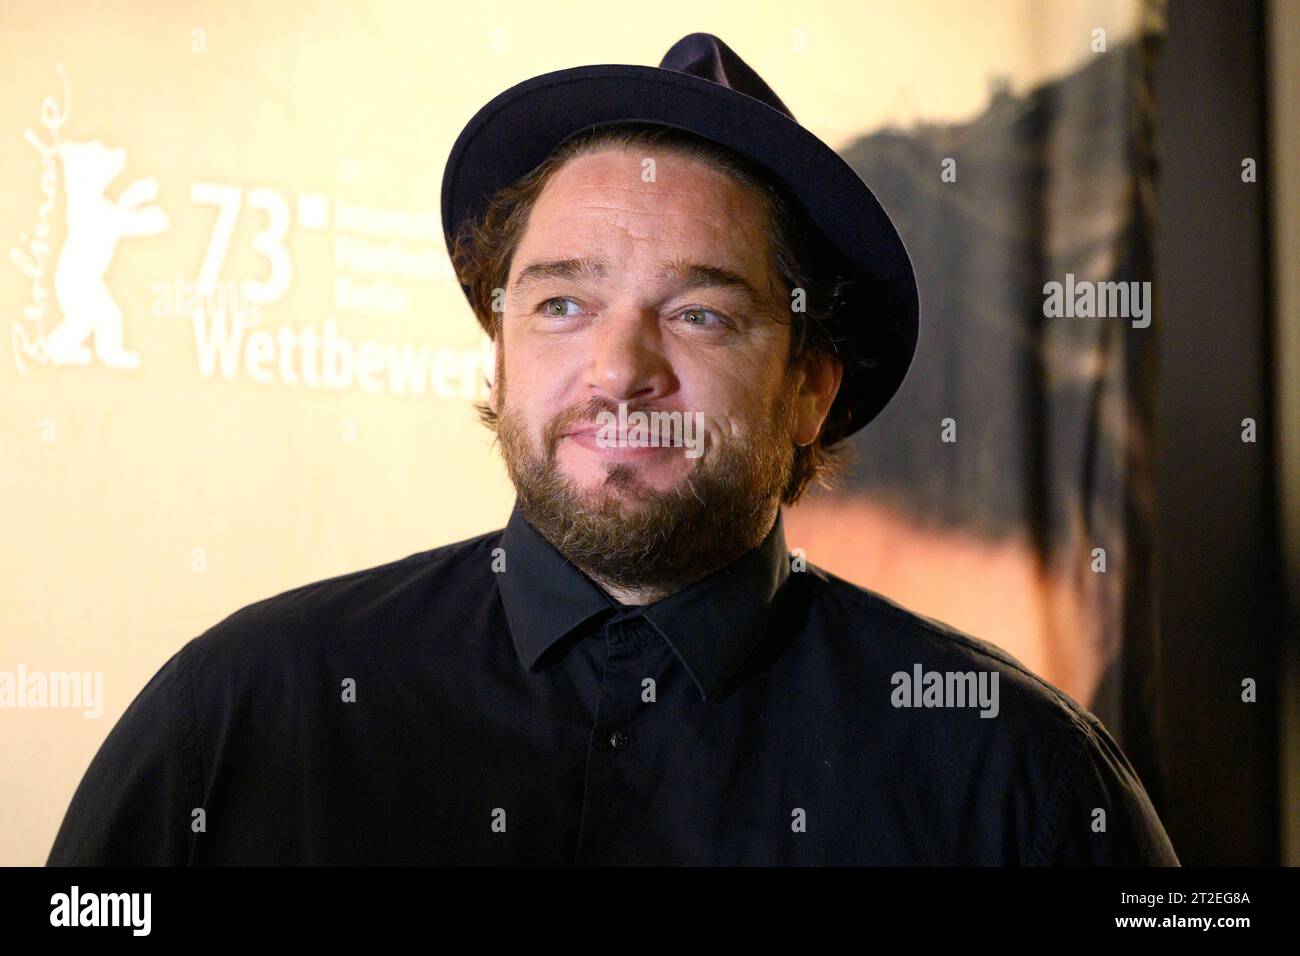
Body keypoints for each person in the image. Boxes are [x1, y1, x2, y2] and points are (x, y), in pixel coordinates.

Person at [47, 33, 1178, 866]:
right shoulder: (240, 716)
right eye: (560, 304)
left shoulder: (1020, 783)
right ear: (499, 350)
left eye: (700, 312)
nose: (619, 367)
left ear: (808, 388)